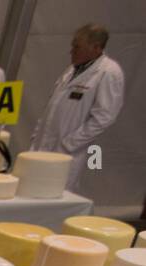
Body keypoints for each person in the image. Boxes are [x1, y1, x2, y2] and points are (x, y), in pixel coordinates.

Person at [30, 23, 124, 193]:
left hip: (66, 153)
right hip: (43, 147)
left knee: (53, 198)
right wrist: (37, 135)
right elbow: (51, 107)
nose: (71, 50)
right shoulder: (72, 70)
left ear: (96, 47)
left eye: (77, 46)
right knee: (32, 192)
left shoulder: (109, 72)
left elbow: (104, 118)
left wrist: (70, 143)